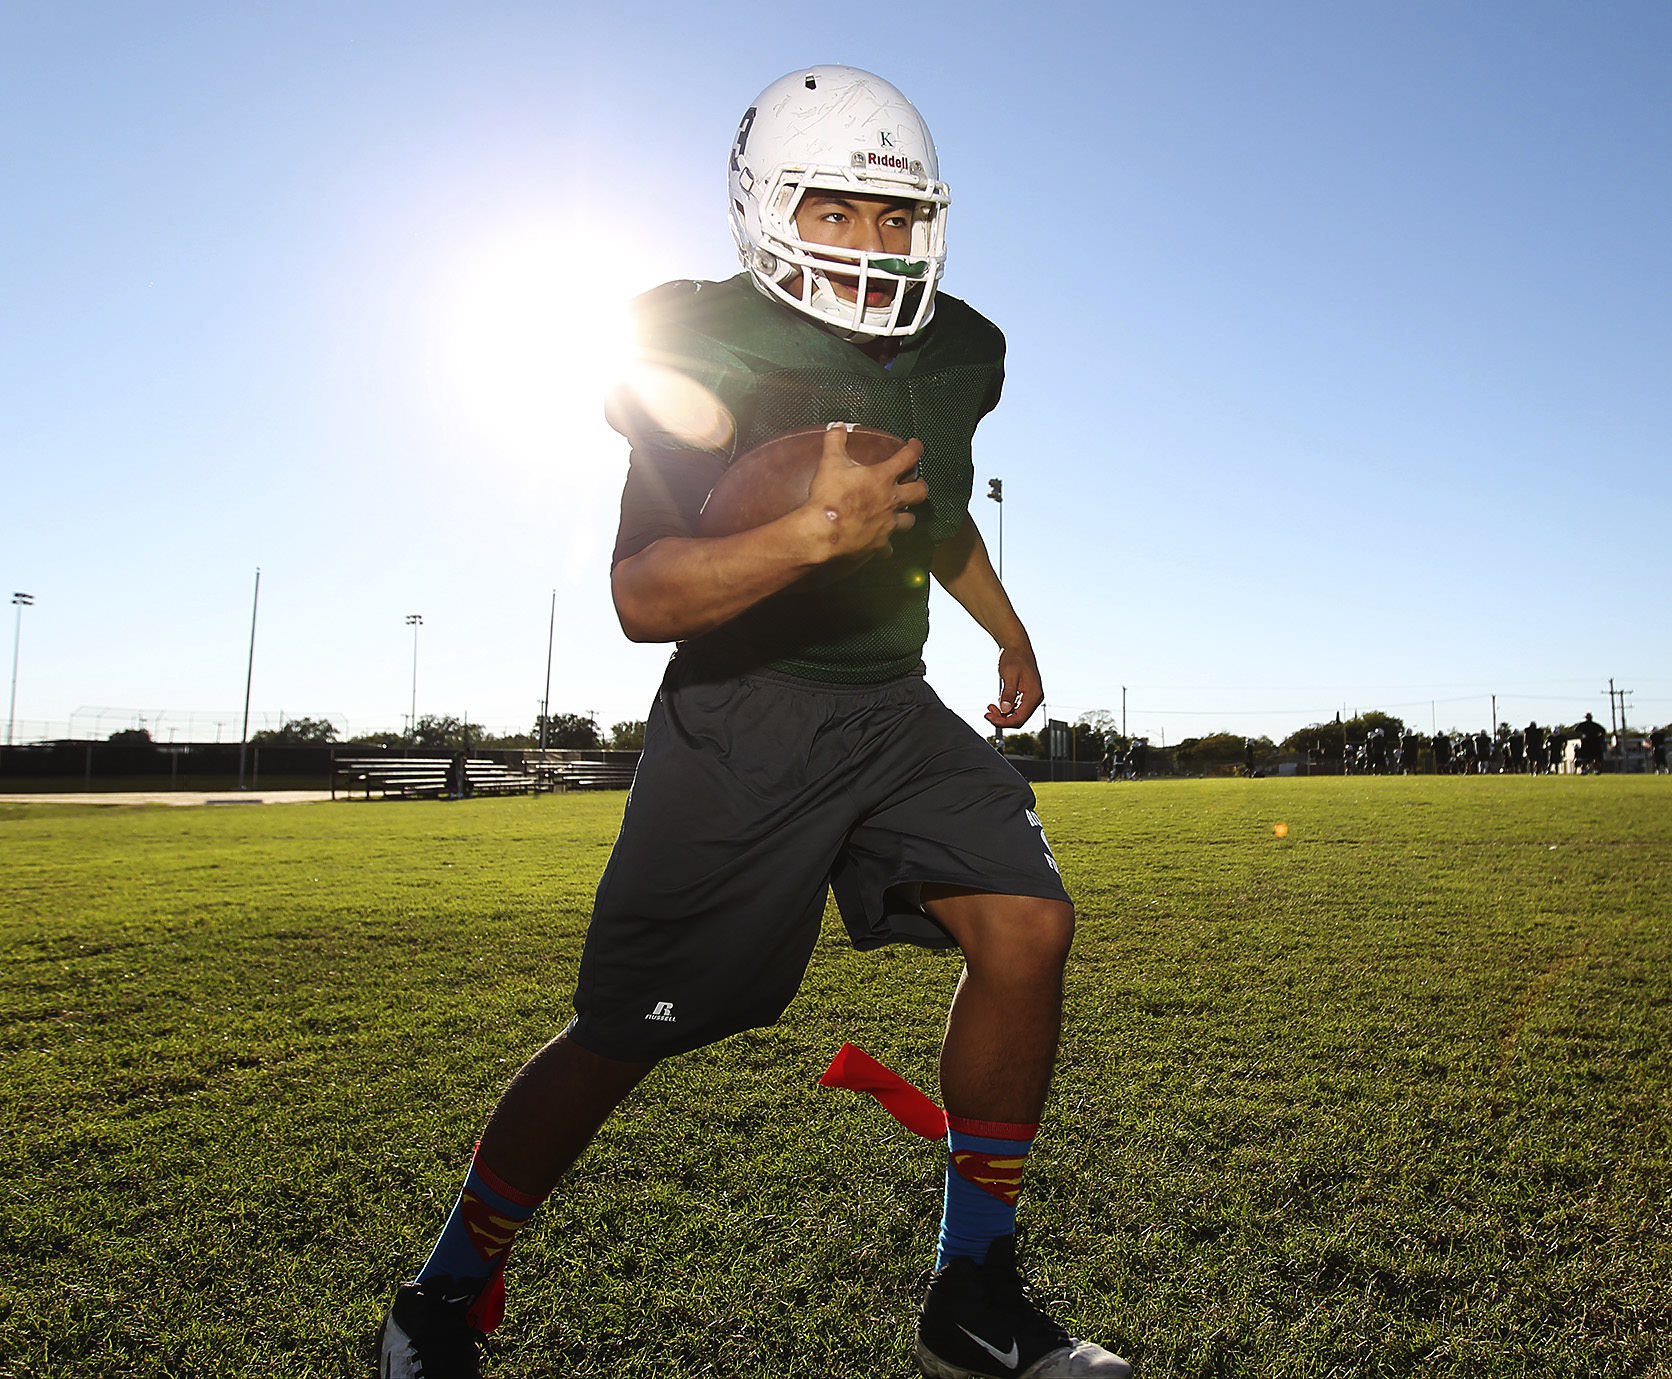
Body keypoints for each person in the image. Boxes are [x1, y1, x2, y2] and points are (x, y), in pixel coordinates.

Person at [377, 65, 1129, 1379]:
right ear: (768, 210)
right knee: (629, 1031)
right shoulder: (694, 341)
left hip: (892, 705)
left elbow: (936, 514)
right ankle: (444, 1293)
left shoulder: (959, 351)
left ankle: (972, 1292)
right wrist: (796, 536)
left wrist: (1008, 630)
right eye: (838, 212)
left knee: (1029, 921)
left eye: (896, 219)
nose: (874, 246)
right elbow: (639, 592)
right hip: (742, 719)